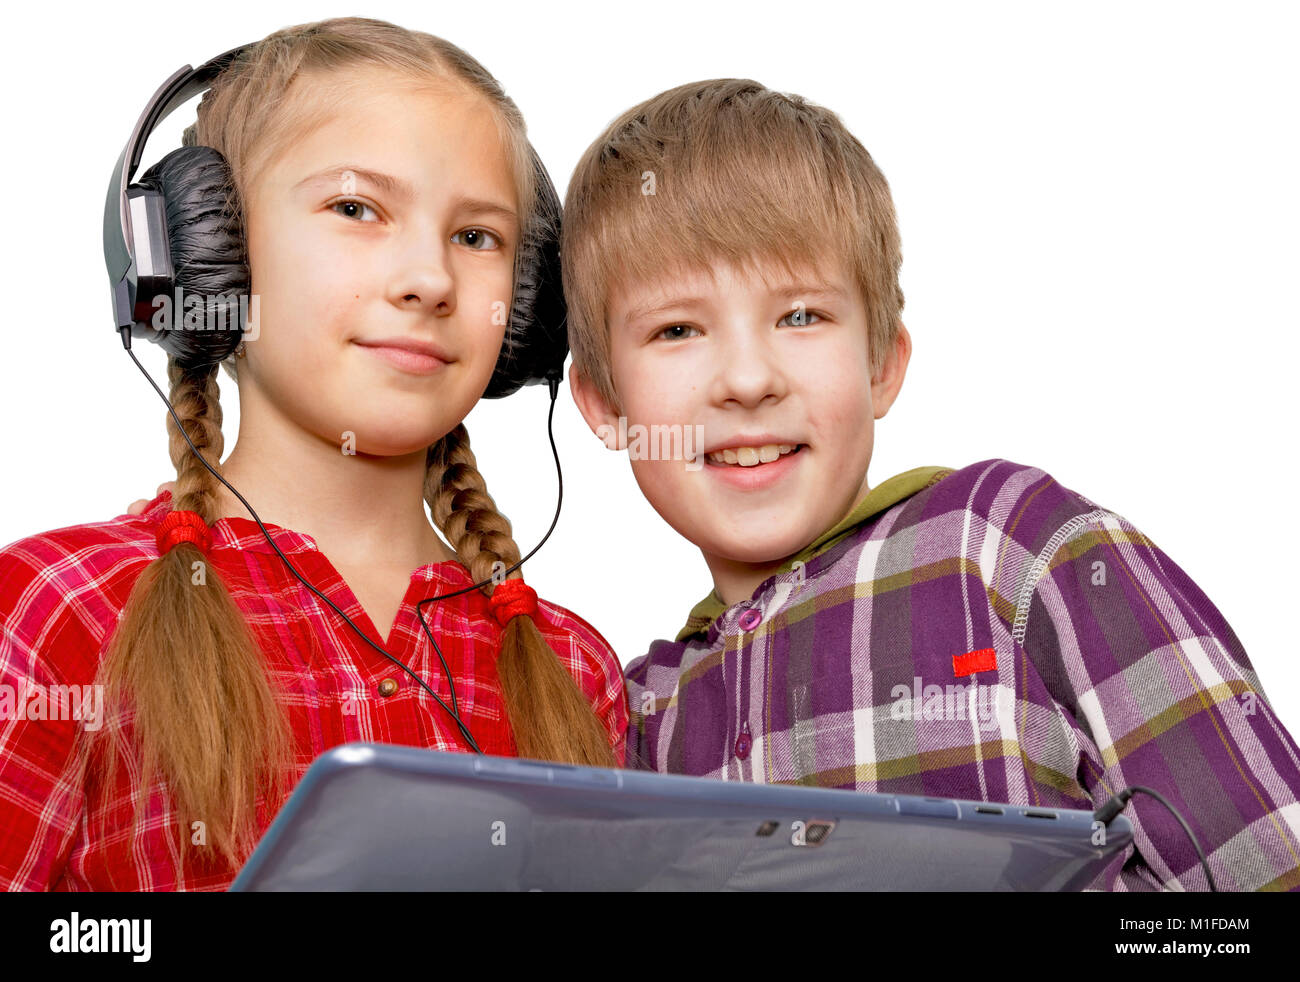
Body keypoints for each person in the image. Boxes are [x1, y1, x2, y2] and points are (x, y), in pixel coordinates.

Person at [560, 78, 1300, 891]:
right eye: (677, 329)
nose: (746, 378)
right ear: (604, 405)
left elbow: (1271, 868)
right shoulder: (632, 722)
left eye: (801, 316)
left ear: (881, 364)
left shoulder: (1010, 545)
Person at [0, 17, 626, 892]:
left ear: (523, 310)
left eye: (477, 236)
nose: (431, 279)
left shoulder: (572, 672)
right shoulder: (61, 615)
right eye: (356, 209)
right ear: (202, 259)